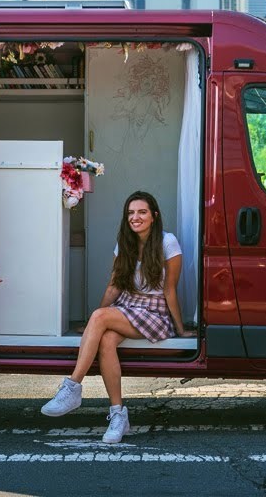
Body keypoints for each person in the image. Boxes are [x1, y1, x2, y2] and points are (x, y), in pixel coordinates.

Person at [40, 190, 190, 443]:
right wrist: (95, 323)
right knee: (107, 340)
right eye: (131, 213)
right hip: (127, 305)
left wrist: (181, 328)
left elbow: (170, 290)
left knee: (99, 319)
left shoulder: (168, 242)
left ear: (154, 216)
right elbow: (114, 286)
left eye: (142, 212)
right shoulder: (125, 243)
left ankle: (73, 387)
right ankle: (118, 415)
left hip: (154, 312)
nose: (135, 217)